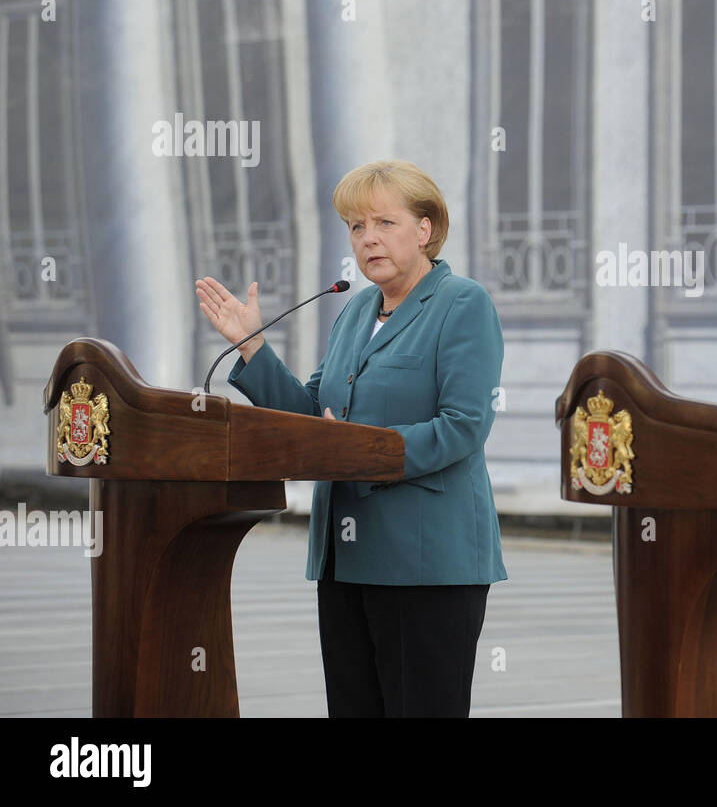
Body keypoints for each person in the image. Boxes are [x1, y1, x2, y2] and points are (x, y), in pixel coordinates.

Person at [195, 159, 507, 717]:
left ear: (425, 229)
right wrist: (251, 347)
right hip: (346, 556)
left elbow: (463, 425)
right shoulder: (355, 309)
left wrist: (362, 453)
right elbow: (313, 415)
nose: (368, 239)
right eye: (356, 227)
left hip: (426, 561)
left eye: (384, 223)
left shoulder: (462, 304)